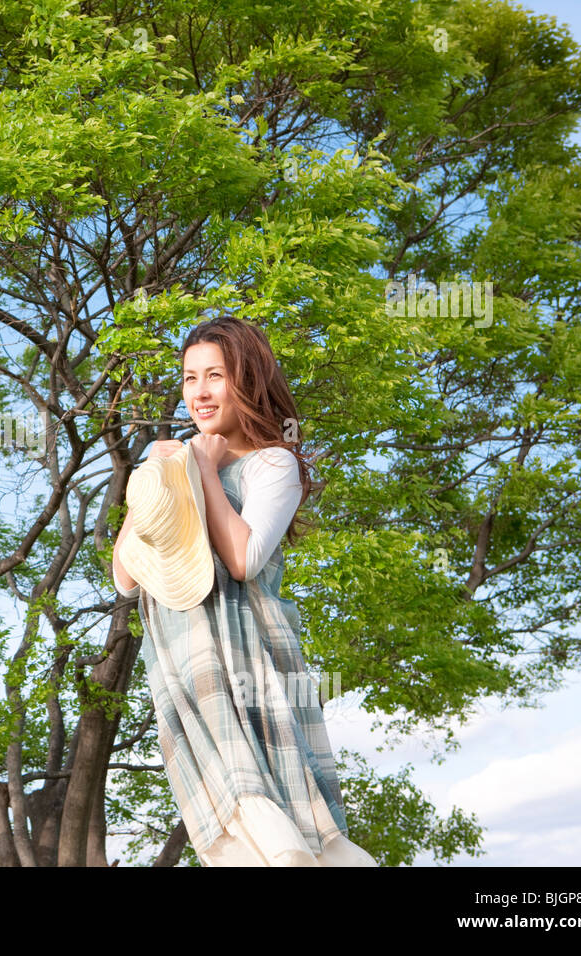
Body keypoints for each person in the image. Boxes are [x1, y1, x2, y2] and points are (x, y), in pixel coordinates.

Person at [112, 314, 378, 867]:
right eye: (189, 378)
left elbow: (242, 560)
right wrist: (153, 482)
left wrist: (206, 471)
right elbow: (125, 575)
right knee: (226, 814)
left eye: (215, 375)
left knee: (283, 805)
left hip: (248, 651)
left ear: (248, 379)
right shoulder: (176, 464)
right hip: (182, 657)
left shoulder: (272, 462)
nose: (200, 393)